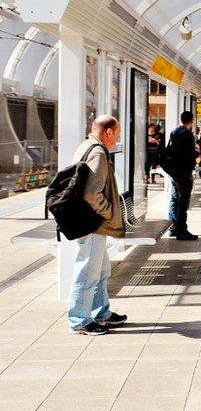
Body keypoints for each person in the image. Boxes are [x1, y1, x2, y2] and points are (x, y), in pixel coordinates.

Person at [68, 115, 127, 335]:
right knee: (87, 273)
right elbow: (92, 193)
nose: (117, 139)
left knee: (101, 271)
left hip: (90, 222)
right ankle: (79, 320)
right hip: (92, 223)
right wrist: (109, 212)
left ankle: (101, 312)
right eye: (117, 134)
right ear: (108, 132)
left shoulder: (86, 146)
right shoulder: (99, 153)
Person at [167, 111, 199, 240]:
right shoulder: (188, 135)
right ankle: (181, 230)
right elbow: (188, 154)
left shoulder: (174, 132)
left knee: (174, 198)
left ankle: (173, 227)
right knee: (183, 200)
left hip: (173, 171)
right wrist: (196, 153)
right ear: (191, 121)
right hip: (183, 172)